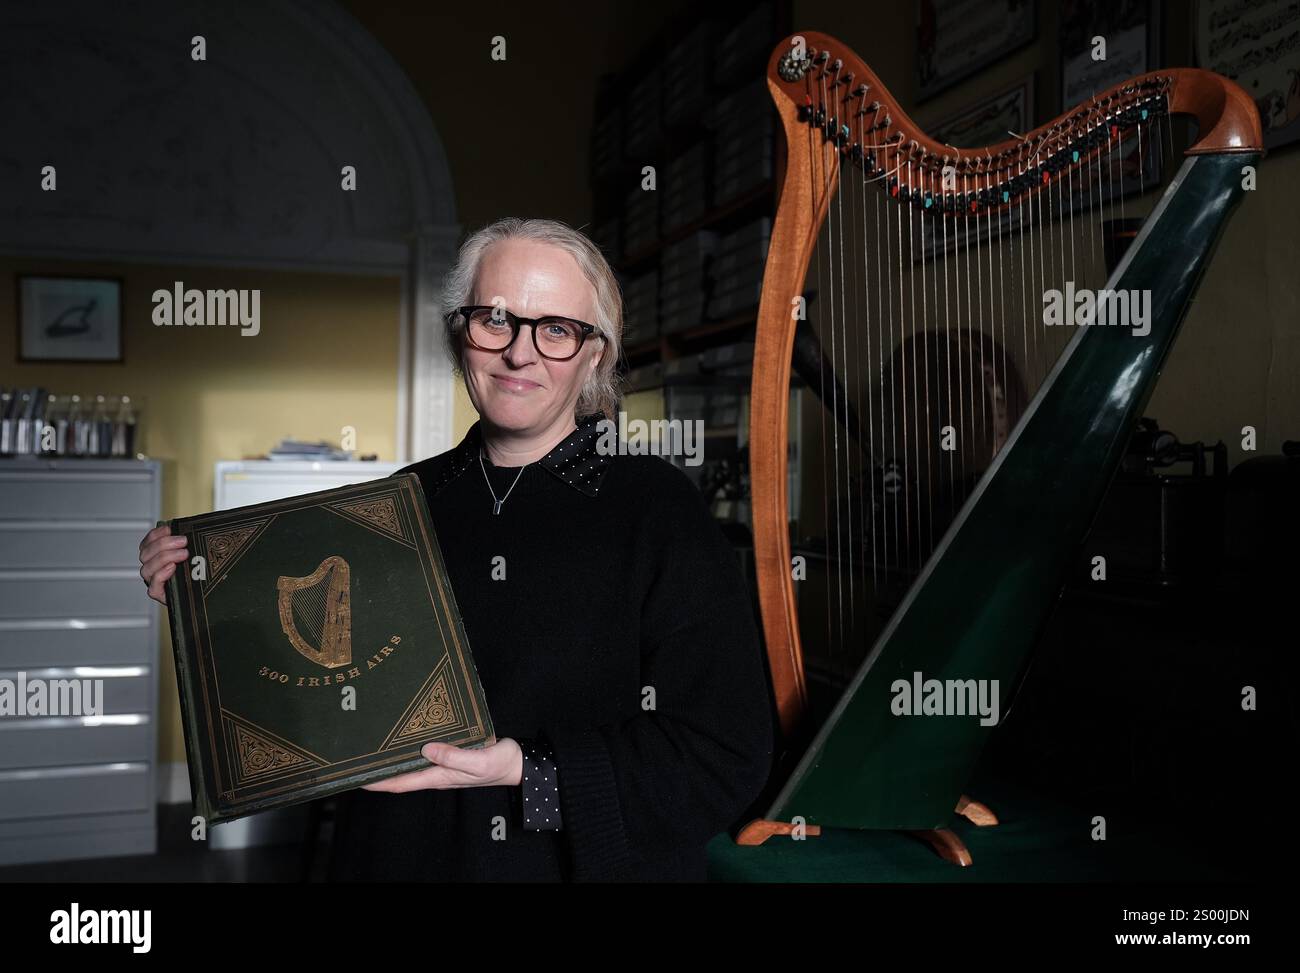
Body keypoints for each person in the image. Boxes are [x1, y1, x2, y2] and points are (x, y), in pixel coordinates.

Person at [139, 217, 774, 881]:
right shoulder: (395, 504)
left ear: (594, 355)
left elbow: (725, 753)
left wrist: (529, 770)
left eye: (557, 329)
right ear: (459, 334)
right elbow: (325, 697)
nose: (520, 353)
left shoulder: (658, 506)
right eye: (495, 319)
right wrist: (206, 597)